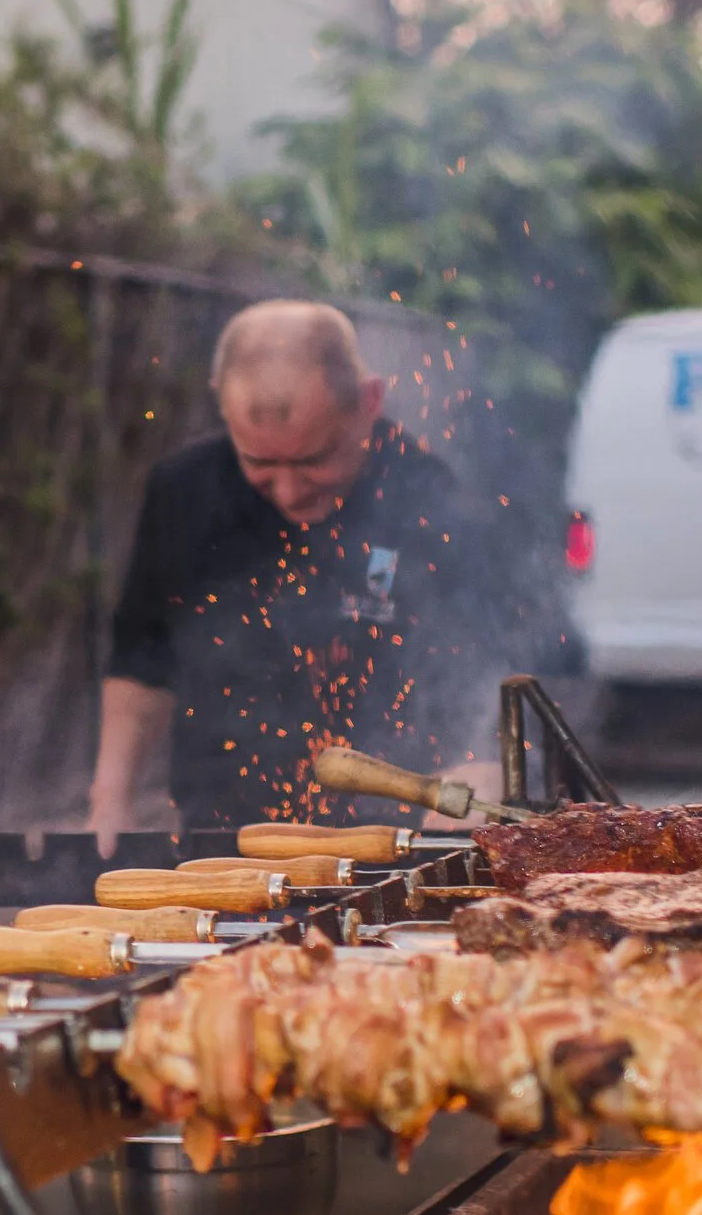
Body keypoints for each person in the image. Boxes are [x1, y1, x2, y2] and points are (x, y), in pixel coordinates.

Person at [87, 299, 510, 840]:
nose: (288, 492)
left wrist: (479, 763)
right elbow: (142, 657)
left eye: (314, 460)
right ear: (221, 404)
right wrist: (111, 797)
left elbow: (479, 668)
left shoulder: (434, 504)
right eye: (259, 462)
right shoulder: (182, 491)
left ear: (369, 402)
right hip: (221, 838)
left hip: (384, 840)